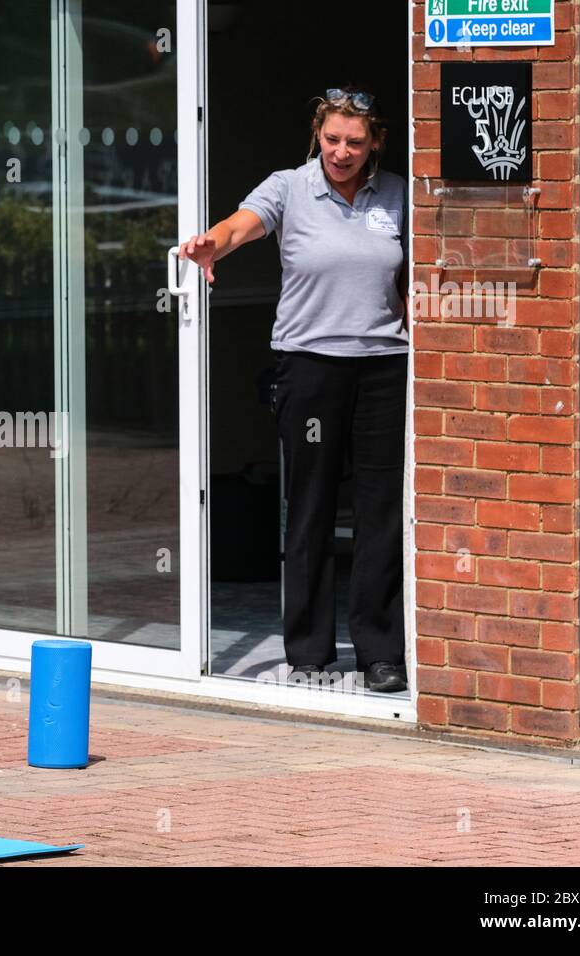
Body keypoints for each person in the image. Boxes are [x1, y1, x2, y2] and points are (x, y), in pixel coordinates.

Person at [179, 86, 409, 693]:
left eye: (355, 142)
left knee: (381, 510)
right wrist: (211, 243)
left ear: (375, 143)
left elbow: (415, 276)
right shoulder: (288, 186)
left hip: (385, 365)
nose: (341, 152)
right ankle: (308, 649)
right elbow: (239, 226)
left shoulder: (398, 195)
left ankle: (380, 651)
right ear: (317, 135)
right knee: (310, 504)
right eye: (332, 139)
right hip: (309, 367)